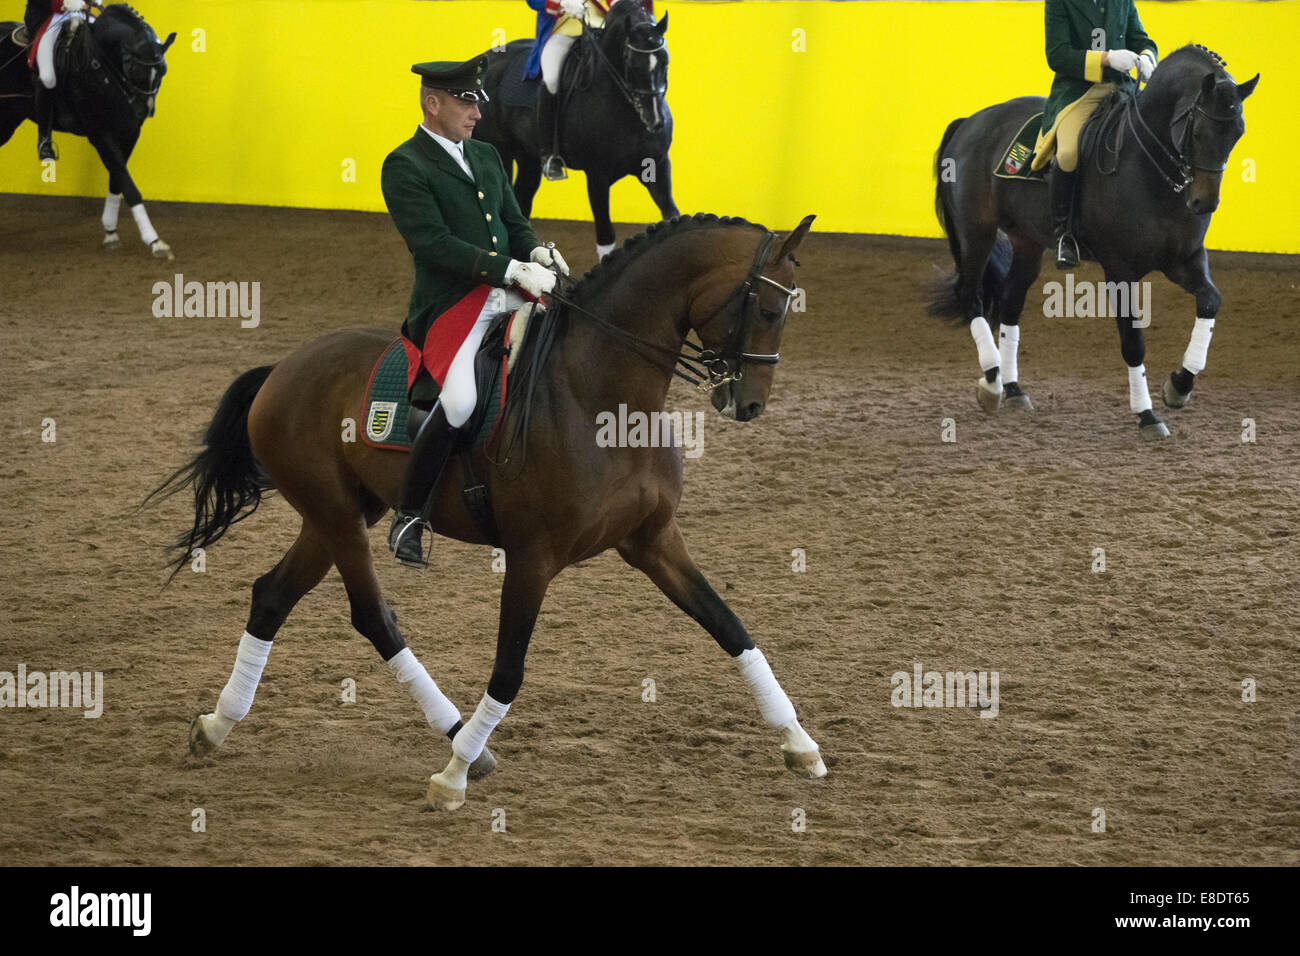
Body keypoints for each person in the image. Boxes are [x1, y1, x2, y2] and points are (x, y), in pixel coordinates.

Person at [381, 57, 571, 569]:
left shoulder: (485, 154)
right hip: (454, 307)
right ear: (432, 103)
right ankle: (410, 514)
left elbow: (513, 219)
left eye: (478, 102)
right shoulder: (404, 165)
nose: (477, 113)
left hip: (510, 290)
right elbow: (433, 244)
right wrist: (510, 270)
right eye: (467, 103)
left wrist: (534, 252)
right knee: (462, 402)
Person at [1032, 0, 1157, 268]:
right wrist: (1106, 58)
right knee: (1068, 154)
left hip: (1124, 90)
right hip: (1080, 92)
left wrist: (1147, 57)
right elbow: (1058, 54)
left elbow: (1139, 38)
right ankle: (1064, 235)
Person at [525, 0, 613, 180]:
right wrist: (562, 4)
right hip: (563, 30)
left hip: (604, 28)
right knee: (551, 79)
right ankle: (549, 154)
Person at [25, 0, 86, 161]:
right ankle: (44, 140)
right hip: (48, 17)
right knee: (47, 77)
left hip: (76, 14)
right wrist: (65, 2)